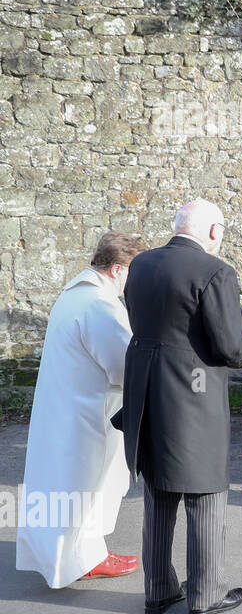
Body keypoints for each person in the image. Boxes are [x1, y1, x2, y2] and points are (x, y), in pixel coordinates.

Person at [121, 200, 242, 614]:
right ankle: (205, 594)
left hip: (146, 392)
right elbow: (230, 347)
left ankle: (158, 590)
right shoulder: (215, 271)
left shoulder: (141, 265)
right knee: (205, 494)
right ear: (213, 231)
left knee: (158, 490)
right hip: (193, 398)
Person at [16, 233, 147, 587]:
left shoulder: (74, 294)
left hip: (67, 405)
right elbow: (122, 364)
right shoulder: (99, 304)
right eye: (134, 272)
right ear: (118, 269)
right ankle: (83, 559)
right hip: (88, 411)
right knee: (87, 485)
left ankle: (89, 552)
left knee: (70, 485)